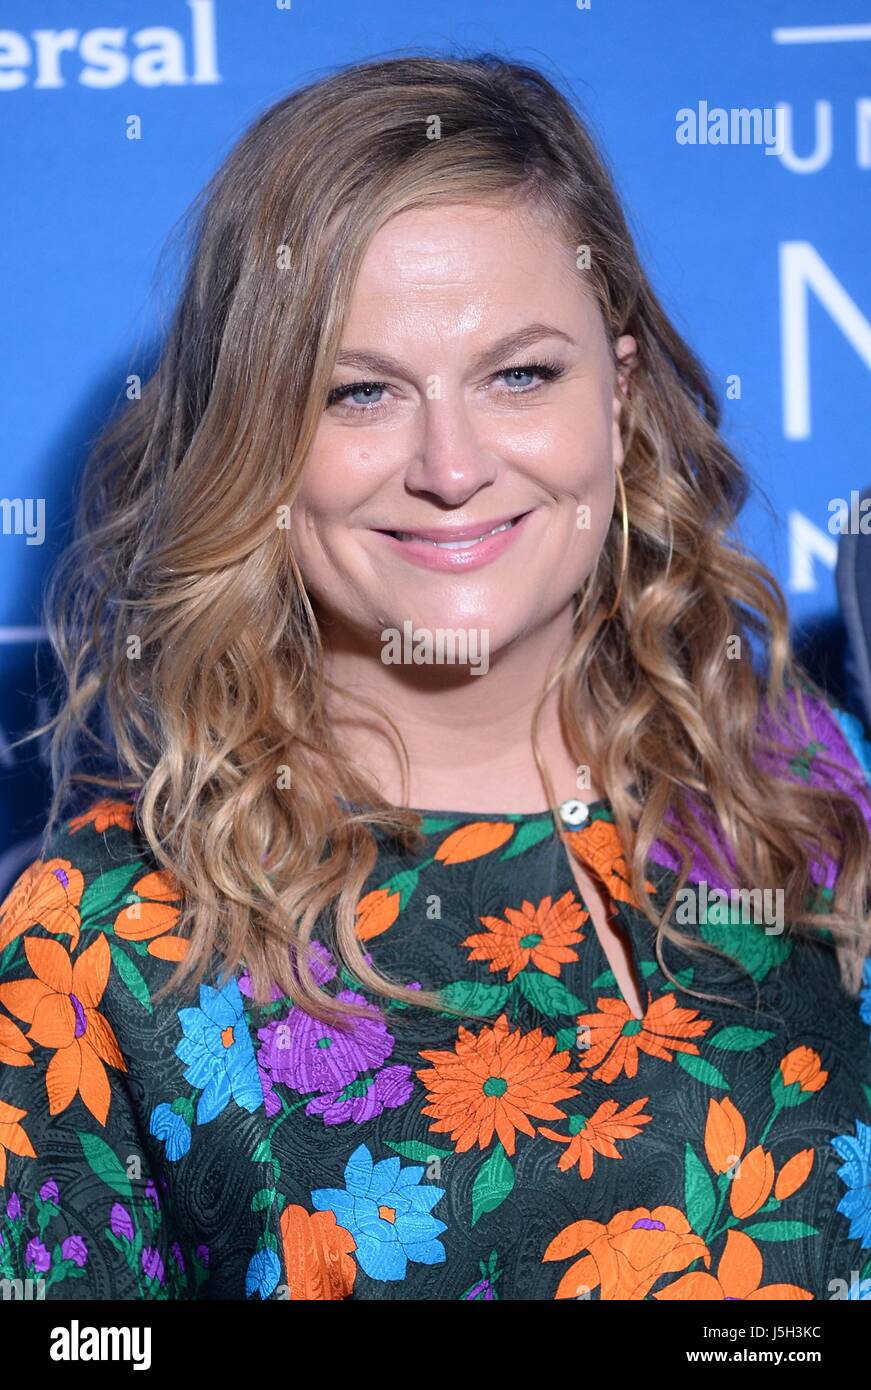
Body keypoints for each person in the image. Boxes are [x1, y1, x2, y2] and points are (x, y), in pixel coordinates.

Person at [1, 53, 870, 1303]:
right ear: (259, 444)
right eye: (359, 393)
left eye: (520, 374)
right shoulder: (105, 937)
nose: (451, 466)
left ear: (619, 396)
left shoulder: (797, 775)